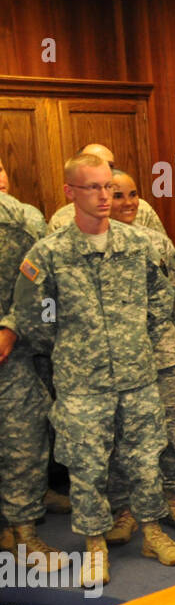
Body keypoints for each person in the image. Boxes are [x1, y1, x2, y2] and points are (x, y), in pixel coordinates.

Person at [5, 154, 175, 586]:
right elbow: (31, 318)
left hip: (138, 376)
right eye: (93, 188)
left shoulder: (137, 243)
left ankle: (153, 532)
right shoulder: (49, 254)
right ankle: (94, 546)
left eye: (108, 186)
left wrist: (130, 337)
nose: (105, 196)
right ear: (70, 193)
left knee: (145, 460)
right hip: (82, 384)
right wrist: (73, 347)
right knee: (86, 468)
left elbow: (161, 300)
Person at [101, 169, 175, 541]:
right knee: (119, 435)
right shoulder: (93, 246)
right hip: (117, 360)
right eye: (118, 196)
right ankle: (126, 509)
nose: (128, 203)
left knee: (172, 431)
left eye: (132, 194)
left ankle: (174, 498)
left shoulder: (157, 244)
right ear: (100, 199)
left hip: (163, 354)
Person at [0, 183, 62, 569]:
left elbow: (40, 286)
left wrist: (10, 327)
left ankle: (23, 533)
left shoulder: (18, 220)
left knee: (23, 434)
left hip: (12, 350)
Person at [48, 144, 166, 235]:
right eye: (93, 164)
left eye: (109, 165)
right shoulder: (61, 220)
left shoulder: (141, 209)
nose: (103, 170)